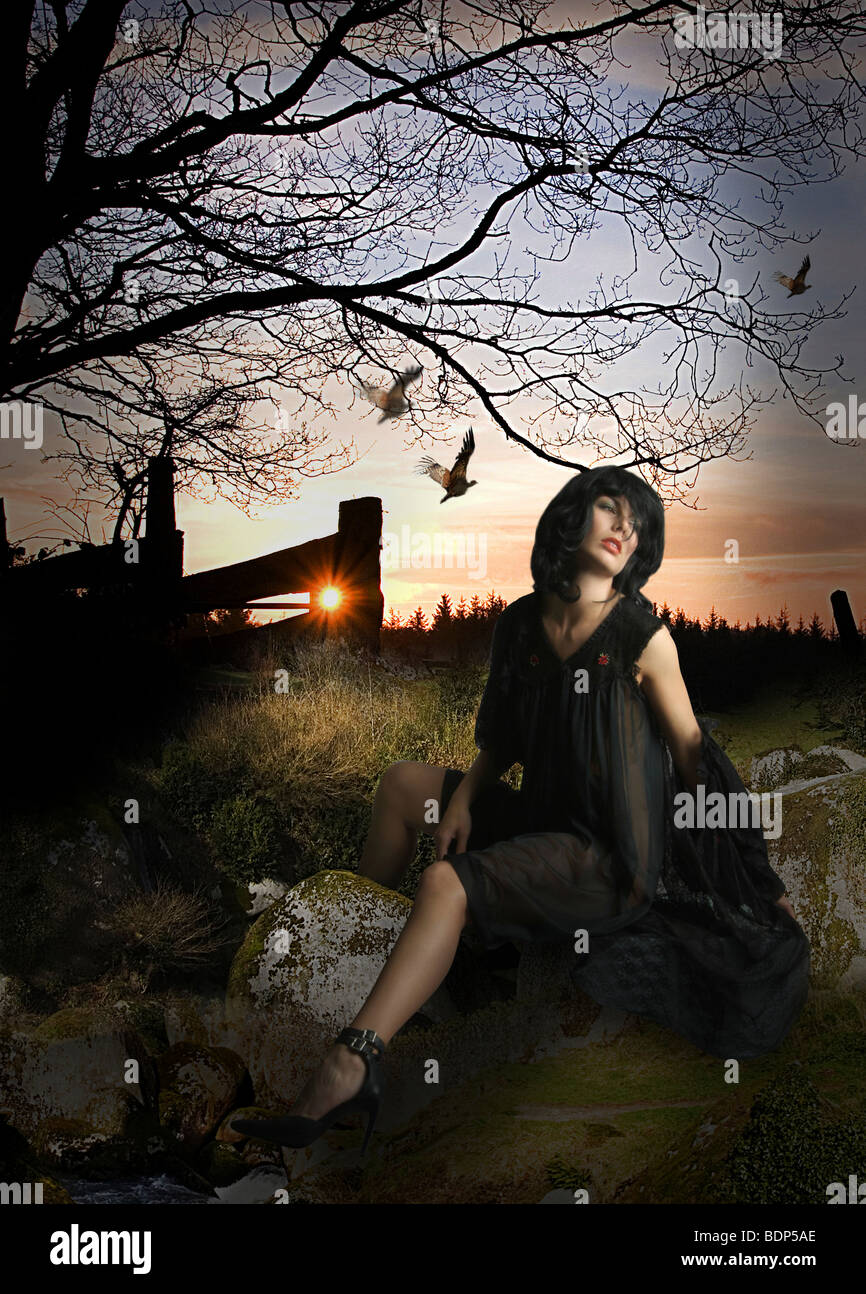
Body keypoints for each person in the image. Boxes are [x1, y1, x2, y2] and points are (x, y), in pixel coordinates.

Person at [234, 465, 810, 1157]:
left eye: (638, 522)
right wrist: (468, 799)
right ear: (572, 519)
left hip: (606, 856)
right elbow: (502, 736)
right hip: (539, 818)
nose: (624, 527)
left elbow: (697, 760)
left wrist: (759, 883)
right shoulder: (519, 625)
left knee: (445, 882)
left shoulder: (643, 641)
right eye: (609, 508)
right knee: (399, 786)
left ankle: (350, 1062)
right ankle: (376, 951)